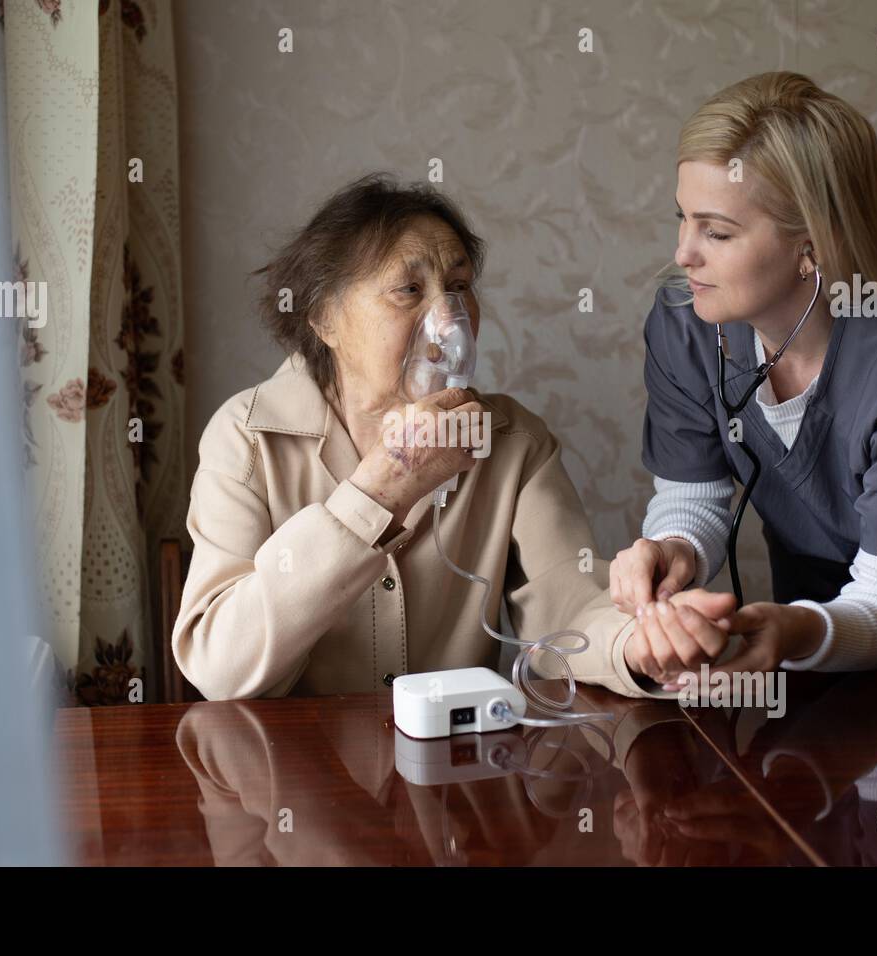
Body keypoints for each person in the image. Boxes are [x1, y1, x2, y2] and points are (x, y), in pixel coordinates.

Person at [173, 173, 733, 700]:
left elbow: (568, 613)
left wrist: (635, 644)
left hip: (456, 776)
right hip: (291, 779)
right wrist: (378, 494)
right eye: (409, 290)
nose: (449, 319)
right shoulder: (246, 439)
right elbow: (219, 664)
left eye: (460, 286)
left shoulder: (513, 442)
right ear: (324, 317)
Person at [612, 72, 877, 687]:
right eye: (682, 219)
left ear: (810, 245)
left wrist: (788, 632)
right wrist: (673, 554)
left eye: (716, 231)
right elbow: (693, 497)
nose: (684, 254)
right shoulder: (686, 320)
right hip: (810, 617)